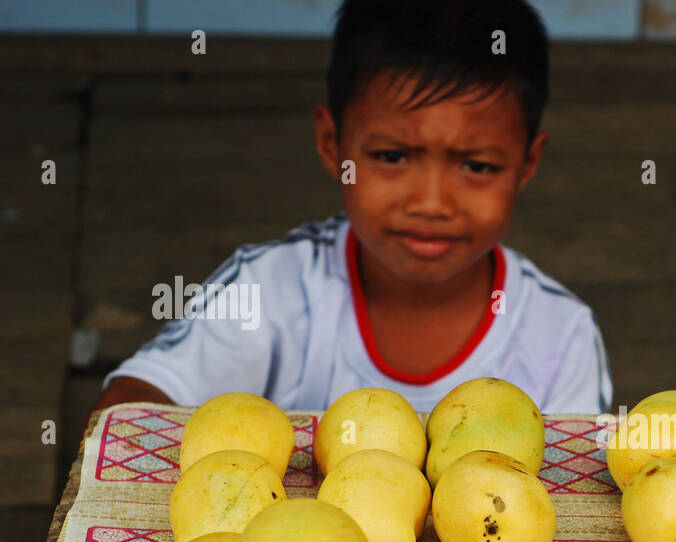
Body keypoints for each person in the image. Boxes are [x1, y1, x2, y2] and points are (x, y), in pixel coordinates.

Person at [93, 0, 612, 417]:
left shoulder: (559, 336)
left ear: (527, 162)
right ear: (331, 144)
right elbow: (133, 407)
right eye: (391, 157)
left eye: (476, 166)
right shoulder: (270, 290)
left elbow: (570, 503)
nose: (431, 203)